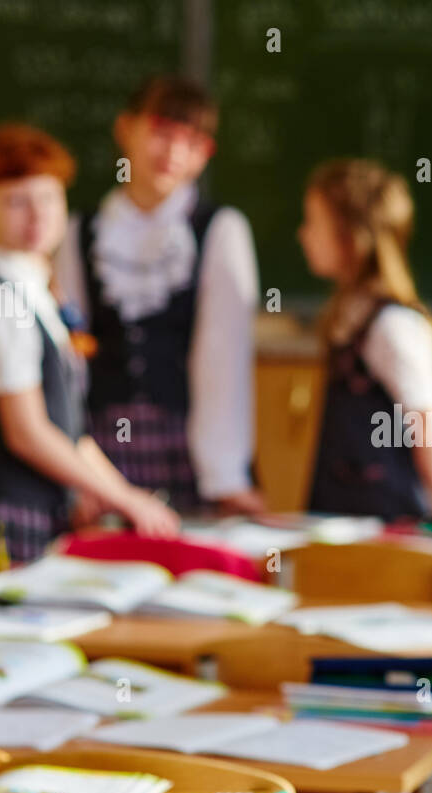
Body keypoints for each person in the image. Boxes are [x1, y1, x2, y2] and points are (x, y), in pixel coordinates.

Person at [0, 123, 179, 561]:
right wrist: (125, 501)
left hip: (37, 512)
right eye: (16, 201)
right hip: (7, 514)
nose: (38, 215)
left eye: (49, 198)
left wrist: (123, 495)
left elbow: (69, 432)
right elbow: (27, 433)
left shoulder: (35, 288)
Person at [55, 75, 263, 515]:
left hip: (192, 449)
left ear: (205, 155)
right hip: (102, 450)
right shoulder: (81, 232)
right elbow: (68, 358)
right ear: (125, 129)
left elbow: (223, 361)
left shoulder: (220, 231)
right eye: (161, 134)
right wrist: (77, 470)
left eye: (191, 142)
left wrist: (225, 476)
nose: (172, 153)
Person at [296, 158, 432, 522]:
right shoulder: (351, 317)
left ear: (349, 236)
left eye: (314, 223)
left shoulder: (392, 325)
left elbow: (430, 421)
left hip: (389, 527)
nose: (303, 234)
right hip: (344, 522)